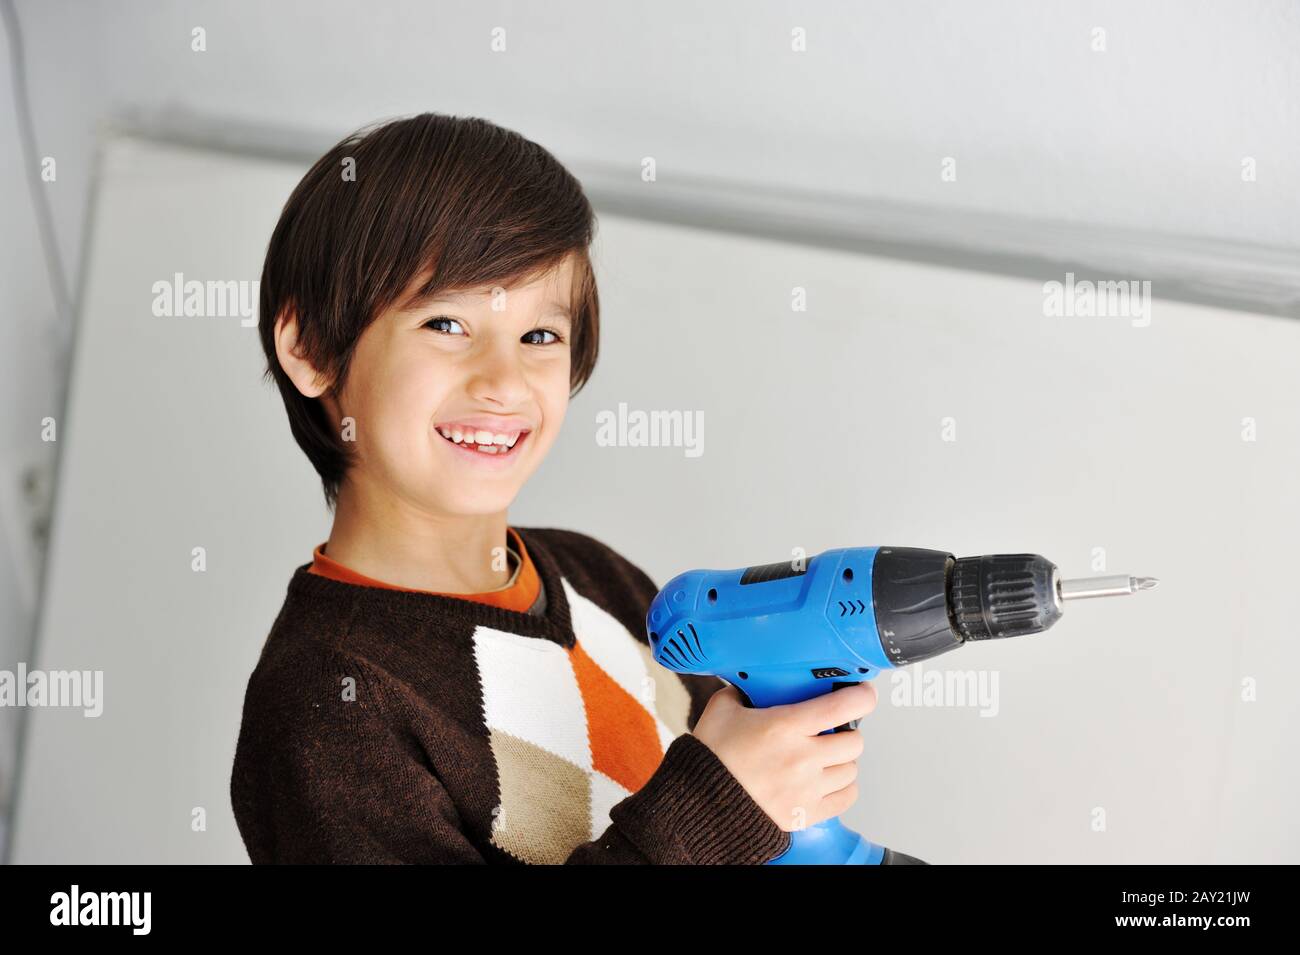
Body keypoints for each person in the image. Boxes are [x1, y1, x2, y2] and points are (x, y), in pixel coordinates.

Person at [229, 112, 876, 864]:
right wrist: (723, 800)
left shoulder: (596, 576)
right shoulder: (328, 702)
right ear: (310, 348)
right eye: (445, 323)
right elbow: (711, 813)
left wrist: (776, 789)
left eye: (540, 336)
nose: (504, 382)